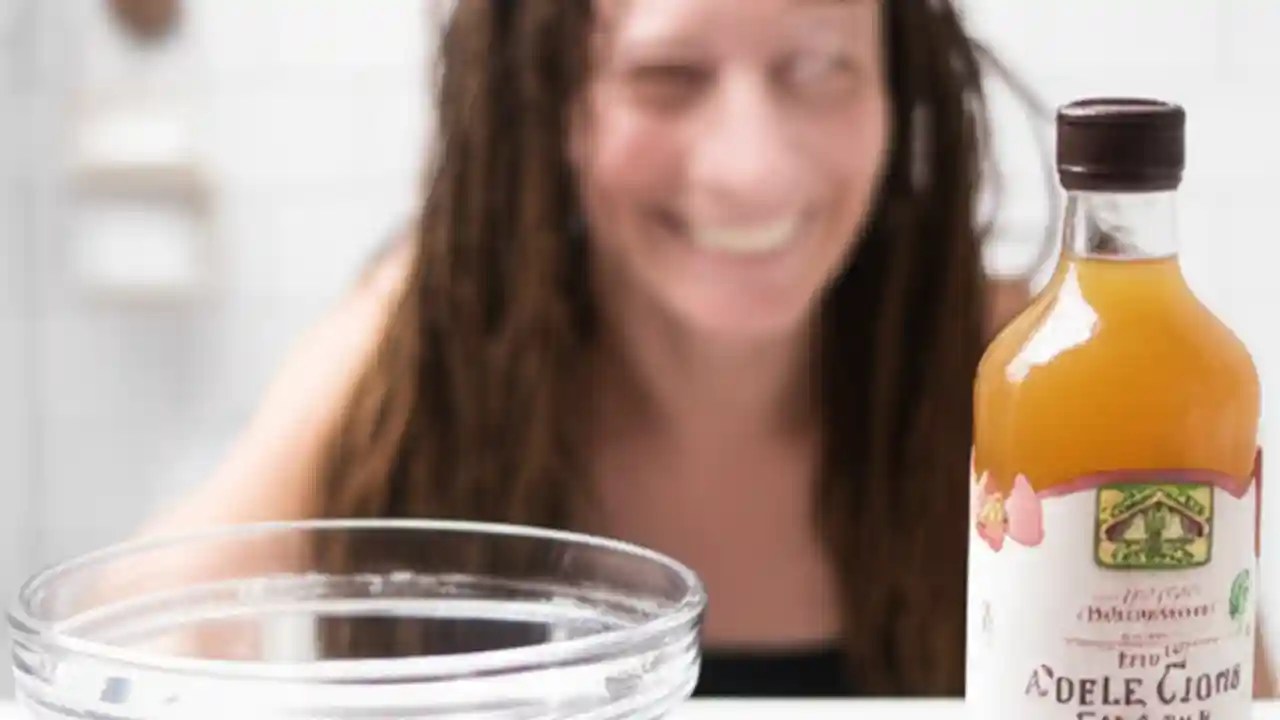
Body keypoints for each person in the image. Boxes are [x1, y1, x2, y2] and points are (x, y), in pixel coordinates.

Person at [137, 0, 1272, 698]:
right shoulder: (421, 354)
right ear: (548, 103)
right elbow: (137, 651)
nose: (751, 169)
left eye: (819, 69)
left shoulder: (1030, 373)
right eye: (665, 76)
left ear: (898, 84)